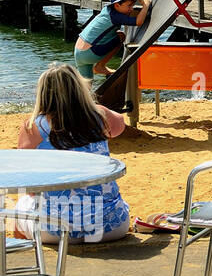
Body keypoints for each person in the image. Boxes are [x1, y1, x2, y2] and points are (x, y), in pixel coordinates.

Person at [14, 64, 130, 244]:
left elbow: (26, 179)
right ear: (79, 88)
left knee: (22, 203)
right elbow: (120, 124)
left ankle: (28, 254)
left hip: (56, 231)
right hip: (111, 226)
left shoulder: (34, 126)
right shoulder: (98, 116)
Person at [73, 0, 150, 79]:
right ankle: (100, 66)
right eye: (129, 5)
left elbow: (130, 14)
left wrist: (131, 3)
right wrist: (145, 5)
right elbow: (139, 22)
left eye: (132, 5)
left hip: (78, 52)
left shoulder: (107, 10)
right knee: (120, 36)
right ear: (117, 5)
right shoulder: (116, 16)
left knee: (86, 85)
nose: (131, 9)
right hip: (90, 52)